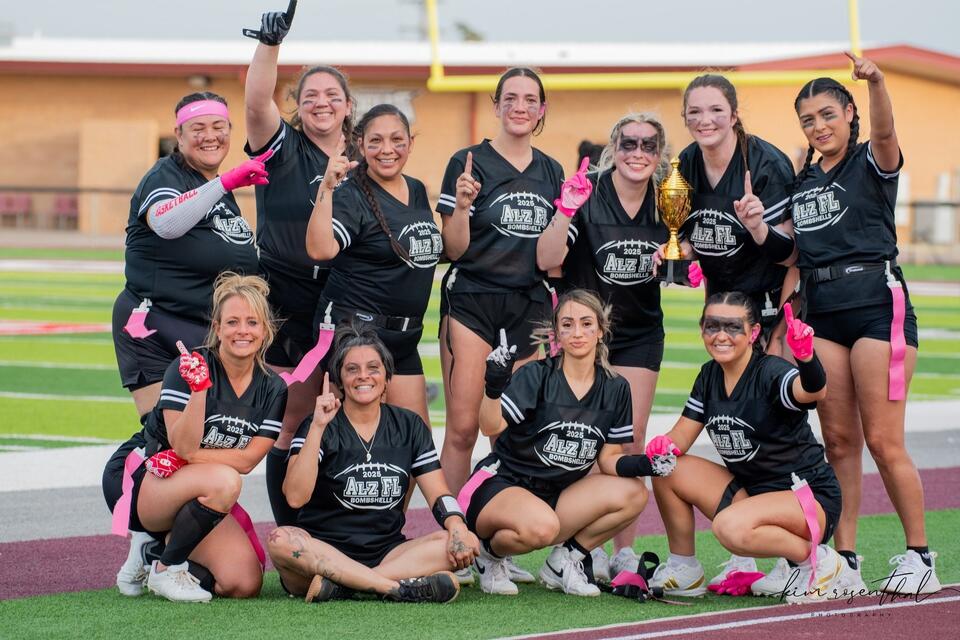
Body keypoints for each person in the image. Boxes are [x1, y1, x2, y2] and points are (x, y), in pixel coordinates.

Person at [789, 53, 940, 595]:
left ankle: (920, 555)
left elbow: (886, 129)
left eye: (828, 114)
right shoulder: (803, 179)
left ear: (849, 113)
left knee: (882, 438)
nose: (819, 126)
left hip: (877, 305)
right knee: (839, 440)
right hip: (823, 311)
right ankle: (845, 559)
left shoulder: (871, 159)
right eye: (808, 120)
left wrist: (877, 81)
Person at [437, 67, 564, 584]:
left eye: (529, 99)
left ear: (541, 111)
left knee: (513, 432)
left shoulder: (553, 171)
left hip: (530, 305)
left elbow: (552, 257)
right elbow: (453, 249)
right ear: (496, 105)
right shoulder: (467, 162)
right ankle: (451, 539)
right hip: (473, 299)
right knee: (465, 427)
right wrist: (463, 206)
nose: (519, 106)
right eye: (510, 97)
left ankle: (492, 548)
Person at [462, 289, 671, 596]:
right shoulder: (538, 374)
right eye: (568, 324)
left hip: (555, 493)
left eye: (587, 324)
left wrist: (647, 464)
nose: (577, 333)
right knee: (542, 526)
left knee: (634, 493)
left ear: (600, 330)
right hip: (502, 484)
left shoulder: (615, 388)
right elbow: (489, 426)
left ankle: (565, 560)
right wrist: (493, 385)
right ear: (556, 332)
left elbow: (608, 459)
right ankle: (488, 555)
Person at [537, 113, 674, 578]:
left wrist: (686, 263)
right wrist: (565, 209)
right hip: (584, 335)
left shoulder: (668, 199)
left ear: (660, 154)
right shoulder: (589, 190)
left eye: (649, 145)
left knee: (628, 441)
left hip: (638, 333)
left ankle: (623, 549)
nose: (638, 153)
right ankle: (580, 542)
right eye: (629, 143)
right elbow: (547, 259)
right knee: (583, 440)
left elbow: (689, 258)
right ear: (613, 146)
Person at [648, 292, 843, 603]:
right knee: (667, 467)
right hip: (753, 493)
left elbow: (811, 392)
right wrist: (665, 444)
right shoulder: (709, 374)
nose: (721, 336)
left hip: (807, 498)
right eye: (712, 326)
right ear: (702, 330)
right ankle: (685, 567)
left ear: (753, 333)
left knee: (729, 529)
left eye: (733, 327)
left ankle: (814, 560)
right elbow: (683, 434)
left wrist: (807, 358)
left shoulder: (770, 371)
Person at [105, 272, 288, 602]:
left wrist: (191, 457)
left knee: (243, 584)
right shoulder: (188, 365)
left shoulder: (273, 387)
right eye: (232, 322)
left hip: (199, 488)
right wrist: (200, 390)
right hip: (144, 479)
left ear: (265, 331)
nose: (242, 331)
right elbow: (182, 444)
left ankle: (153, 550)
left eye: (252, 322)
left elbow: (247, 460)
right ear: (217, 329)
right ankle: (166, 567)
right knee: (225, 480)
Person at [266, 322, 477, 603]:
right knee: (281, 542)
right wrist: (317, 427)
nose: (363, 376)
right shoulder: (317, 424)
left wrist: (457, 526)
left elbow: (439, 494)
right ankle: (394, 588)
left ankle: (350, 585)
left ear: (387, 377)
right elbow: (294, 497)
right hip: (323, 553)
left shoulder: (409, 425)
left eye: (373, 368)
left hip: (386, 552)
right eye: (352, 369)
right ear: (339, 379)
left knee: (461, 541)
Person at [243, 2, 355, 527]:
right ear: (299, 106)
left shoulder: (364, 157)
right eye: (310, 96)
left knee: (348, 413)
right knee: (289, 417)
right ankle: (289, 528)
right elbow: (256, 101)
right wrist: (270, 45)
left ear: (349, 106)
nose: (321, 103)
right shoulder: (282, 144)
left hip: (347, 296)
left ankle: (346, 527)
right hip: (285, 293)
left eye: (332, 95)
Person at [111, 92, 265, 418]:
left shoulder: (214, 187)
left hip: (202, 331)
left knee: (207, 437)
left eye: (218, 126)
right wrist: (225, 182)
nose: (209, 136)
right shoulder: (167, 176)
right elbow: (166, 223)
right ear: (179, 136)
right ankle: (124, 471)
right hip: (155, 325)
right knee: (166, 438)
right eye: (197, 128)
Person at [305, 104, 441, 425]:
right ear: (361, 145)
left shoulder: (417, 189)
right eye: (376, 141)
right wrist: (327, 187)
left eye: (397, 139)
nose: (387, 150)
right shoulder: (352, 195)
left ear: (410, 142)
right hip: (356, 334)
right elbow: (319, 248)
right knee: (352, 443)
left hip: (404, 337)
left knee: (412, 444)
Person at [672, 74, 797, 355]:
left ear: (733, 116)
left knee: (769, 393)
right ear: (685, 118)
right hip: (720, 305)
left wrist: (758, 228)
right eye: (695, 111)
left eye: (716, 110)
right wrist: (677, 255)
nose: (705, 120)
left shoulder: (767, 164)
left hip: (769, 306)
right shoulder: (685, 163)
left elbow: (792, 255)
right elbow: (695, 240)